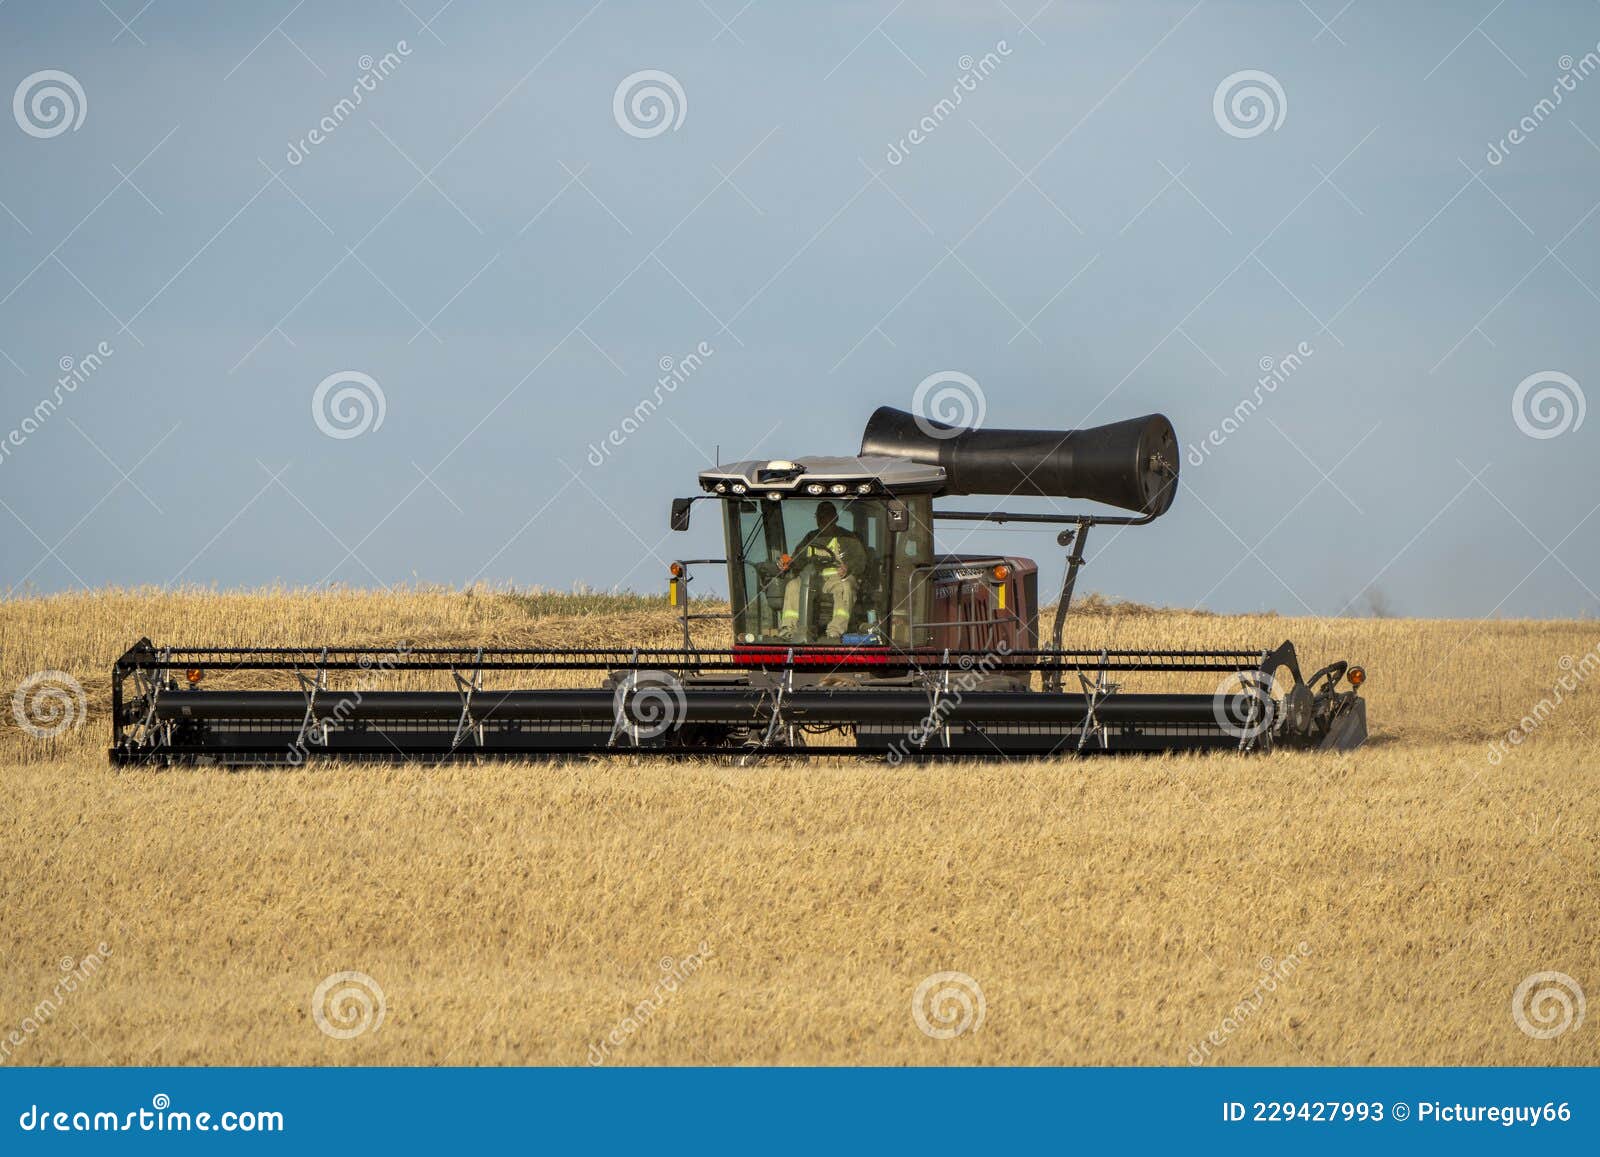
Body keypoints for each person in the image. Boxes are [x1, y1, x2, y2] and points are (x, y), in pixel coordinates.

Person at [777, 502, 868, 641]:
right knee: (793, 585)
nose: (822, 520)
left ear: (835, 518)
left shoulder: (849, 539)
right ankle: (789, 629)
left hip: (838, 579)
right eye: (820, 517)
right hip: (814, 580)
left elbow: (861, 560)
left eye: (827, 516)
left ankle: (835, 632)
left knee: (845, 587)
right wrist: (787, 562)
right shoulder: (810, 538)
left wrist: (848, 567)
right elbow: (797, 558)